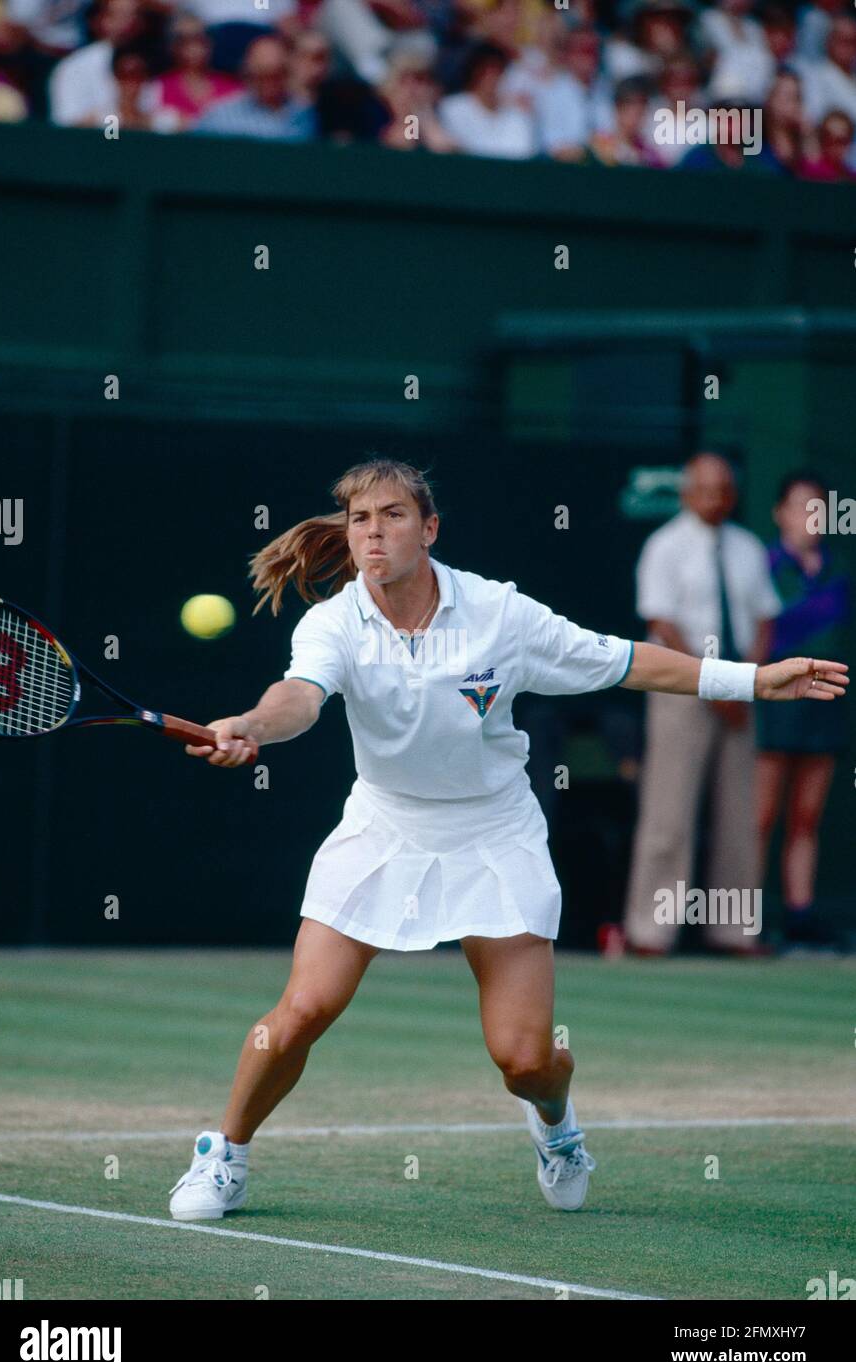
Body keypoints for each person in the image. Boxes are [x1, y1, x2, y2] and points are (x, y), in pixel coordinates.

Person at [165, 457, 848, 1220]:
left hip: (495, 834)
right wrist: (252, 727)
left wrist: (753, 680)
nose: (373, 533)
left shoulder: (500, 615)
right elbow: (298, 697)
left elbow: (623, 661)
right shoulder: (332, 624)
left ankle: (557, 1127)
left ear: (429, 529)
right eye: (360, 519)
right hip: (383, 829)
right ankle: (224, 1155)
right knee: (301, 1012)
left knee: (526, 1061)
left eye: (392, 515)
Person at [623, 453, 784, 955]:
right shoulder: (664, 546)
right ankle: (649, 931)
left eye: (724, 490)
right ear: (688, 493)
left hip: (740, 691)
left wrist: (750, 678)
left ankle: (734, 931)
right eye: (705, 489)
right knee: (668, 813)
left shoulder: (748, 548)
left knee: (741, 816)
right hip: (681, 689)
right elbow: (662, 622)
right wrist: (714, 683)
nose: (715, 499)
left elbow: (764, 616)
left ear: (733, 496)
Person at [755, 473, 852, 951]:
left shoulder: (839, 572)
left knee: (806, 817)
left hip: (825, 707)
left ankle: (799, 915)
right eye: (800, 507)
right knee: (761, 815)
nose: (810, 518)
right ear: (780, 514)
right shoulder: (764, 568)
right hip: (774, 707)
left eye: (818, 508)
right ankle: (745, 921)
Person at [192, 33, 316, 139]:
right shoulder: (219, 116)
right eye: (262, 74)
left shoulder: (303, 114)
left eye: (277, 74)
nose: (270, 82)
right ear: (248, 73)